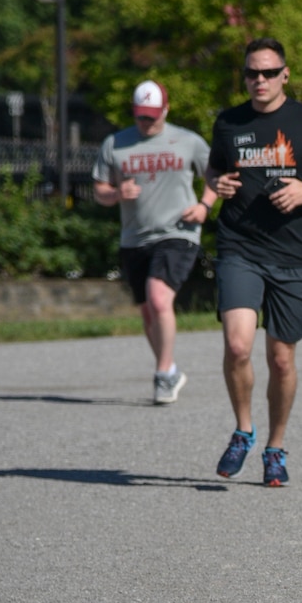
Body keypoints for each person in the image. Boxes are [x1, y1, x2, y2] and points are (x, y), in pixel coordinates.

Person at [205, 37, 302, 486]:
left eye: (269, 72)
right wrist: (218, 185)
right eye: (252, 73)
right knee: (237, 345)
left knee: (281, 358)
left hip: (291, 254)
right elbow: (214, 170)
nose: (260, 80)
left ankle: (275, 447)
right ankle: (243, 431)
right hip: (239, 247)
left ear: (285, 74)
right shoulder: (228, 122)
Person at [92, 80, 218, 404]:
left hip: (179, 231)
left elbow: (216, 176)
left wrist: (204, 206)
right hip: (135, 237)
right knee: (148, 312)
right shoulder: (115, 144)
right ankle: (172, 370)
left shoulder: (188, 141)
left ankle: (162, 375)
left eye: (152, 116)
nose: (146, 123)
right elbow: (99, 191)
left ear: (166, 109)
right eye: (140, 117)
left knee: (159, 298)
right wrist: (118, 193)